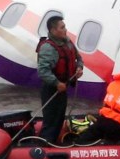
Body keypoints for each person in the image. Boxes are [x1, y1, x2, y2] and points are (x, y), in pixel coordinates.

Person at [36, 15, 84, 143]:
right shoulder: (48, 48)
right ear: (53, 30)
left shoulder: (67, 43)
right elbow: (43, 71)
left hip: (63, 88)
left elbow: (79, 58)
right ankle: (45, 145)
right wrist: (56, 83)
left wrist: (79, 68)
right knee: (51, 119)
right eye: (62, 27)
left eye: (65, 27)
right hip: (52, 89)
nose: (65, 30)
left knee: (59, 117)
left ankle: (53, 142)